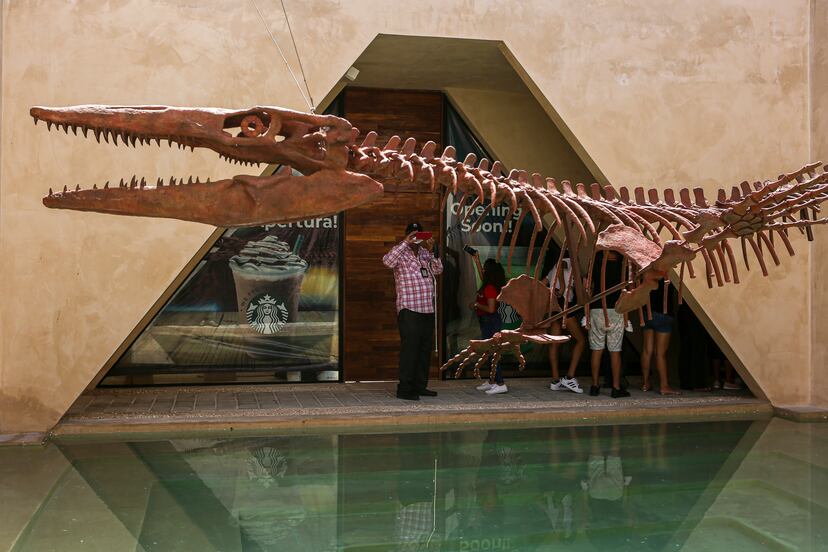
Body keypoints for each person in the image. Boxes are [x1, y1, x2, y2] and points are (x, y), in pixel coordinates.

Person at [383, 222, 443, 401]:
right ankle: (405, 389)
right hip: (409, 309)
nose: (416, 238)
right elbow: (387, 261)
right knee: (410, 350)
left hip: (427, 309)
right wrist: (405, 242)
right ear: (408, 235)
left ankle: (420, 386)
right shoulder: (400, 253)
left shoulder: (425, 253)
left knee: (424, 351)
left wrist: (433, 250)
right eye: (413, 234)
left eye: (419, 235)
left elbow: (438, 270)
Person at [588, 250, 630, 398]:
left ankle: (594, 385)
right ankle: (616, 387)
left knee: (596, 349)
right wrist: (627, 317)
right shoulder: (623, 266)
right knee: (615, 351)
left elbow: (588, 287)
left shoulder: (596, 264)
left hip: (597, 308)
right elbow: (626, 291)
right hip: (616, 309)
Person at [547, 257, 586, 394]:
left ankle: (555, 380)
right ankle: (569, 377)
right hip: (564, 304)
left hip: (554, 304)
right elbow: (560, 265)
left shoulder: (552, 269)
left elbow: (543, 282)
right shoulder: (569, 260)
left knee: (554, 343)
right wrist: (562, 287)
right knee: (581, 340)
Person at [470, 258, 508, 394]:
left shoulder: (490, 288)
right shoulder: (489, 284)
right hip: (487, 321)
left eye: (485, 268)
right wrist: (476, 260)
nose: (483, 270)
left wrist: (476, 305)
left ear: (489, 272)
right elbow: (482, 274)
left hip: (490, 321)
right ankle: (492, 381)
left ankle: (500, 383)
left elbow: (491, 309)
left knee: (493, 352)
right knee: (488, 352)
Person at [640, 279, 680, 395]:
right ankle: (664, 386)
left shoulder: (647, 271)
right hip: (663, 313)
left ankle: (645, 383)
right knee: (660, 353)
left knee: (647, 351)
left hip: (647, 313)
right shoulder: (669, 274)